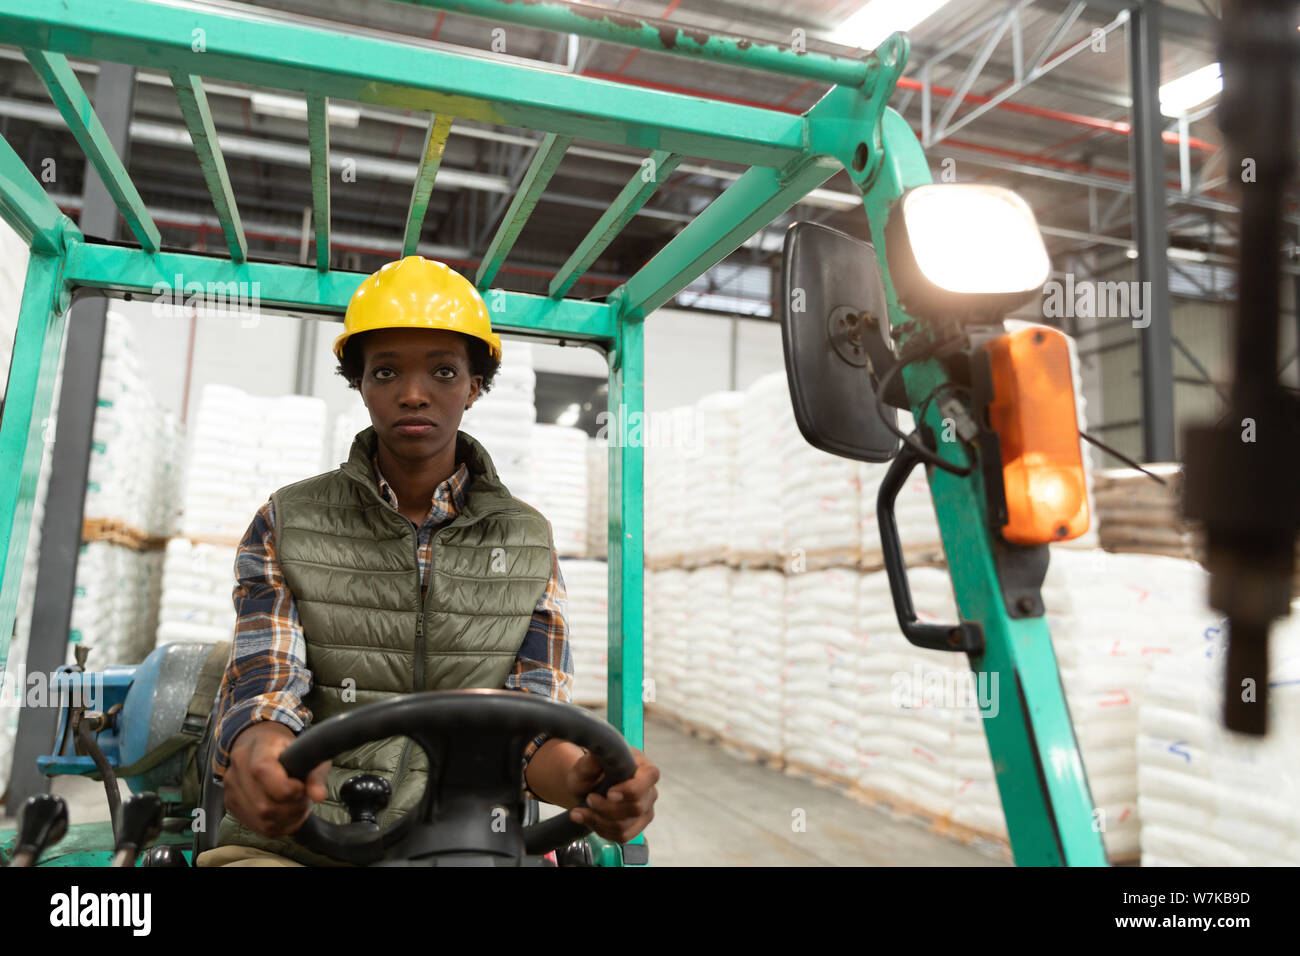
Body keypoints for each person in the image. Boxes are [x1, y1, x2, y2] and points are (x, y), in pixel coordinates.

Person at [195, 256, 658, 867]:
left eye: (443, 371)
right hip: (306, 845)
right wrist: (260, 755)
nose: (413, 395)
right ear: (359, 383)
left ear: (474, 385)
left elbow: (534, 727)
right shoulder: (287, 521)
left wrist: (588, 781)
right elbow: (268, 685)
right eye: (385, 372)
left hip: (473, 839)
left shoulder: (527, 540)